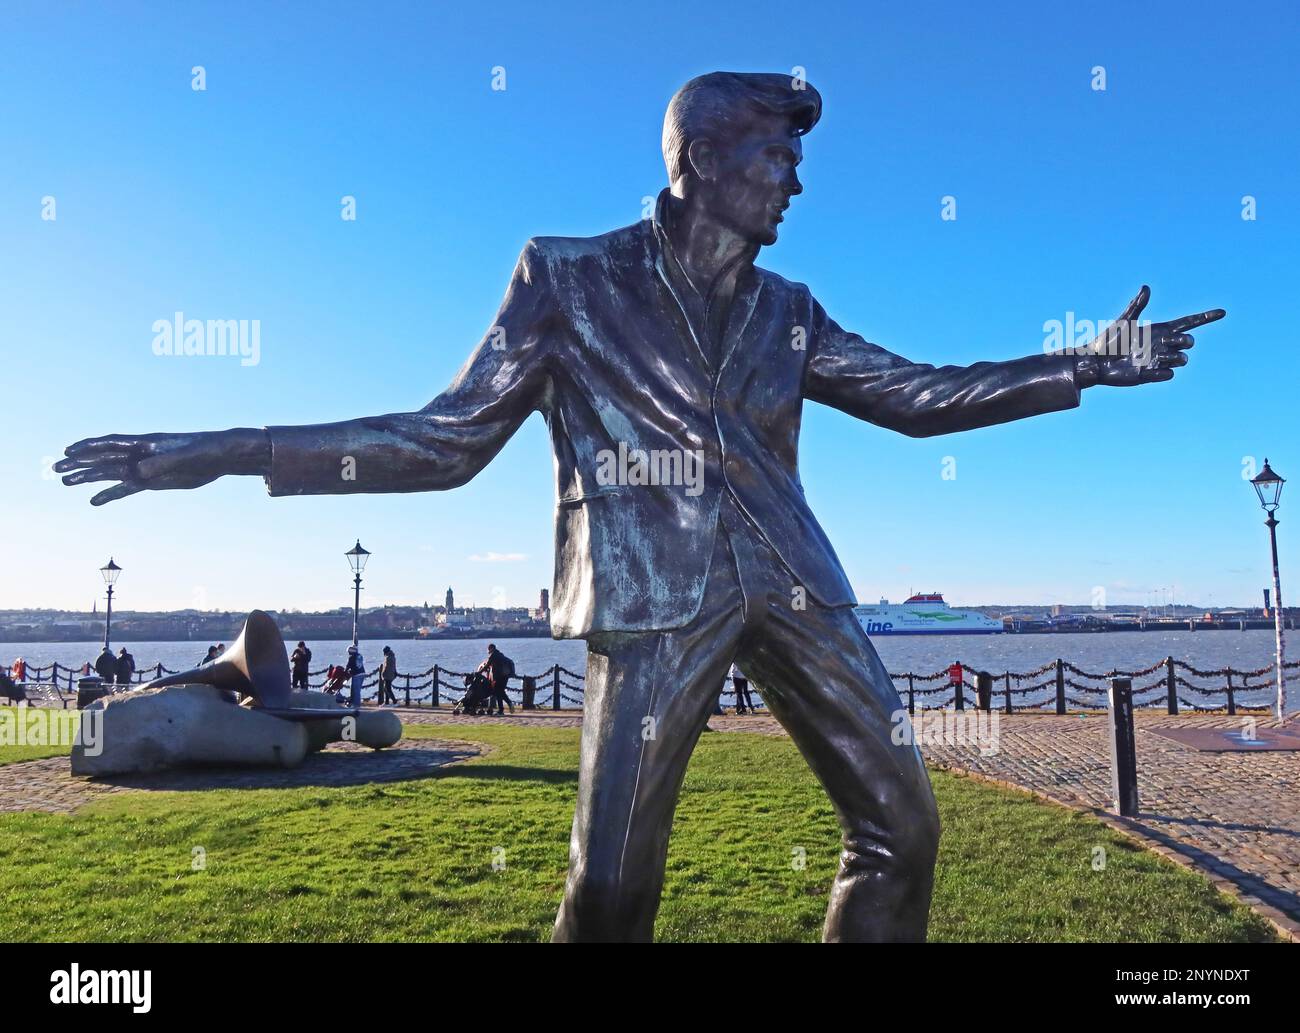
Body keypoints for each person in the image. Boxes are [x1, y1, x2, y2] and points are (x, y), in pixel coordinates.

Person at [56, 72, 1224, 944]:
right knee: (612, 886)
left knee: (901, 829)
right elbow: (444, 438)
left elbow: (918, 397)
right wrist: (224, 449)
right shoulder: (567, 277)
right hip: (653, 607)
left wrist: (1081, 363)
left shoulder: (791, 310)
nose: (797, 181)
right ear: (703, 158)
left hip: (796, 589)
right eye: (777, 156)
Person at [477, 644, 514, 715]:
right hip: (505, 677)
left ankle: (502, 709)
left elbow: (487, 665)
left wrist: (479, 672)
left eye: (488, 649)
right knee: (500, 692)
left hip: (498, 677)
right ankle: (507, 705)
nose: (488, 651)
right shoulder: (500, 654)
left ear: (491, 649)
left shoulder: (493, 655)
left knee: (498, 693)